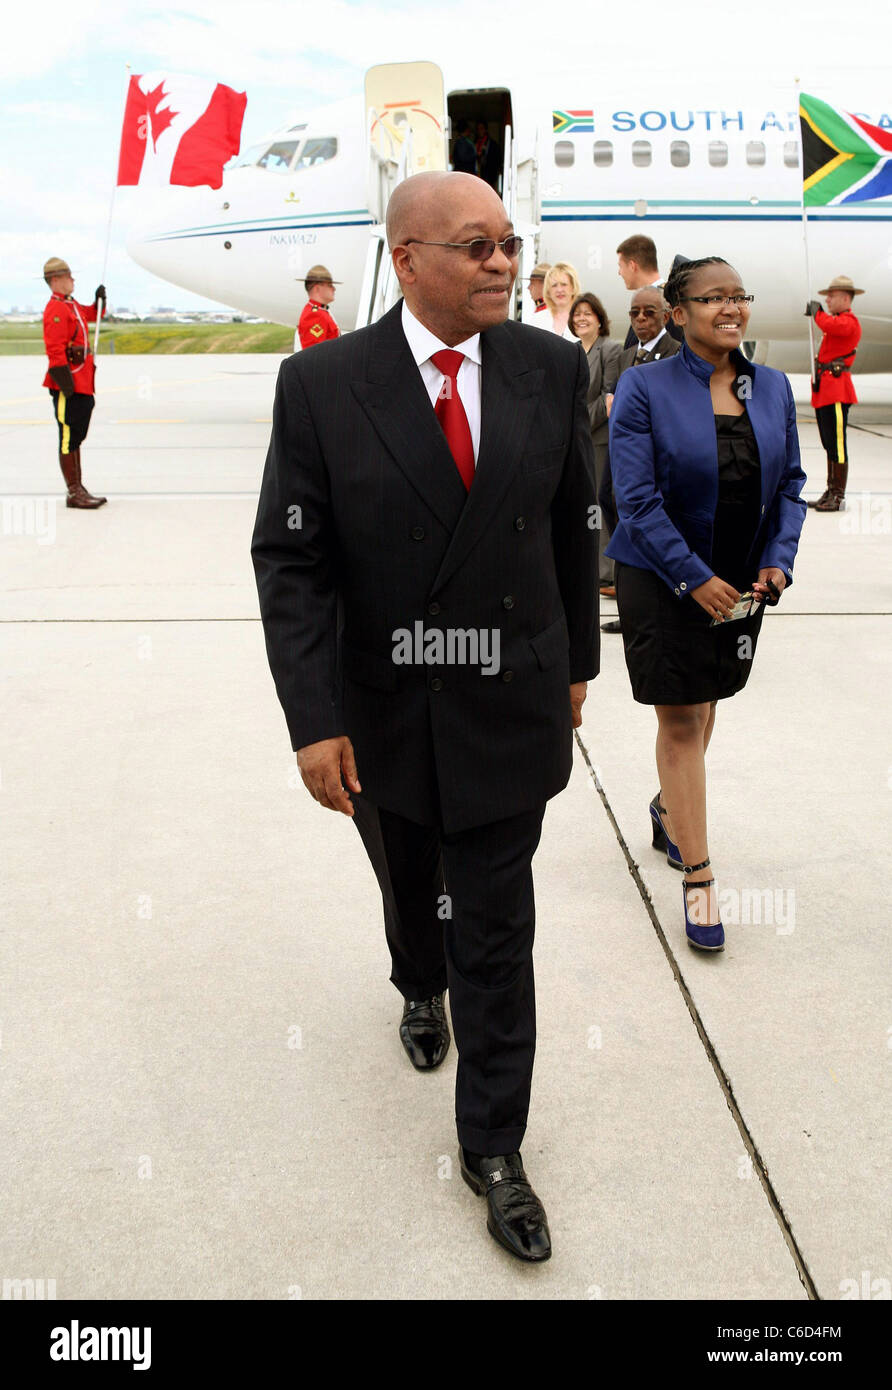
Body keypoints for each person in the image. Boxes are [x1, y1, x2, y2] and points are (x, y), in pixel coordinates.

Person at [251, 171, 599, 1263]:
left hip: (507, 702)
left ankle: (493, 1147)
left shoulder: (550, 365)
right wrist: (313, 718)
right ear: (406, 258)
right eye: (474, 246)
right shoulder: (321, 384)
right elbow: (292, 559)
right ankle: (414, 982)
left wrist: (578, 662)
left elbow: (570, 524)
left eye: (507, 242)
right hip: (384, 708)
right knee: (414, 893)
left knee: (496, 928)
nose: (501, 262)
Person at [606, 256, 806, 952]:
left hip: (742, 583)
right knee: (682, 717)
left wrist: (777, 560)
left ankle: (669, 811)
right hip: (663, 578)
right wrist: (692, 578)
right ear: (679, 311)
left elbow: (791, 486)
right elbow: (635, 500)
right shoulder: (643, 388)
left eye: (739, 295)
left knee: (709, 697)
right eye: (713, 296)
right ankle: (699, 875)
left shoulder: (773, 387)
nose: (731, 307)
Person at [599, 287, 681, 629]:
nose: (641, 319)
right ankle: (628, 602)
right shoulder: (627, 353)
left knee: (647, 527)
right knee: (614, 512)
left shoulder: (676, 352)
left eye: (649, 312)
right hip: (621, 454)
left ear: (665, 315)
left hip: (654, 458)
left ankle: (649, 606)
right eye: (635, 313)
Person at [41, 256, 107, 509]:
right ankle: (73, 492)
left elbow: (91, 315)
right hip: (68, 384)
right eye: (68, 277)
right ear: (56, 280)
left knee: (77, 435)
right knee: (68, 436)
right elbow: (55, 349)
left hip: (82, 381)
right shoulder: (55, 309)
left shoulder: (70, 304)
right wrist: (66, 387)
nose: (72, 280)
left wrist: (99, 300)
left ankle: (79, 487)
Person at [568, 293, 621, 598]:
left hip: (599, 439)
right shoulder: (571, 351)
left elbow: (609, 398)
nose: (581, 319)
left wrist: (579, 423)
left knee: (602, 505)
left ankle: (608, 573)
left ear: (599, 319)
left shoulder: (610, 350)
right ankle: (589, 568)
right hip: (575, 439)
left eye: (587, 314)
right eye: (577, 315)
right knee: (582, 505)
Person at [806, 274, 863, 512]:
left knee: (837, 445)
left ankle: (837, 495)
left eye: (831, 296)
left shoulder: (849, 322)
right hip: (827, 390)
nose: (828, 300)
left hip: (837, 391)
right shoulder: (836, 322)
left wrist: (817, 313)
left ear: (845, 297)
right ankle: (830, 491)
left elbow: (830, 325)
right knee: (829, 443)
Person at [616, 235, 685, 348]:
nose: (619, 272)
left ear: (632, 266)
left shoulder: (666, 303)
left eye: (621, 266)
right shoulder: (661, 300)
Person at [297, 265, 341, 349]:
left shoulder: (320, 311)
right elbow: (315, 354)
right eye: (329, 285)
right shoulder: (315, 315)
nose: (334, 289)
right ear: (317, 288)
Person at [534, 261, 581, 339]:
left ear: (573, 288)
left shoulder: (583, 319)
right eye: (554, 285)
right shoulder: (537, 320)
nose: (559, 290)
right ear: (548, 291)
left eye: (564, 284)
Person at [475, 120, 501, 190]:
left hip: (490, 176)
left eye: (481, 128)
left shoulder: (492, 144)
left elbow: (497, 160)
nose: (480, 131)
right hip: (478, 174)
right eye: (478, 129)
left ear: (485, 130)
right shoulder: (475, 143)